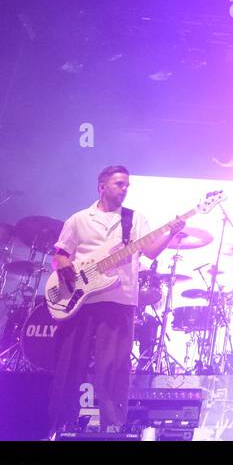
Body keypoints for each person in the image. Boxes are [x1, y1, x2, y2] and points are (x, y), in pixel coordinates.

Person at [48, 165, 184, 434]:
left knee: (114, 367)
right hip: (80, 301)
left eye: (126, 185)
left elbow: (151, 252)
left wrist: (171, 232)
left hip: (119, 300)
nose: (124, 189)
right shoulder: (78, 219)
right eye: (119, 184)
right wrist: (63, 265)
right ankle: (59, 426)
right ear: (102, 186)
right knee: (69, 365)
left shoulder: (134, 219)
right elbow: (60, 254)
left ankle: (113, 428)